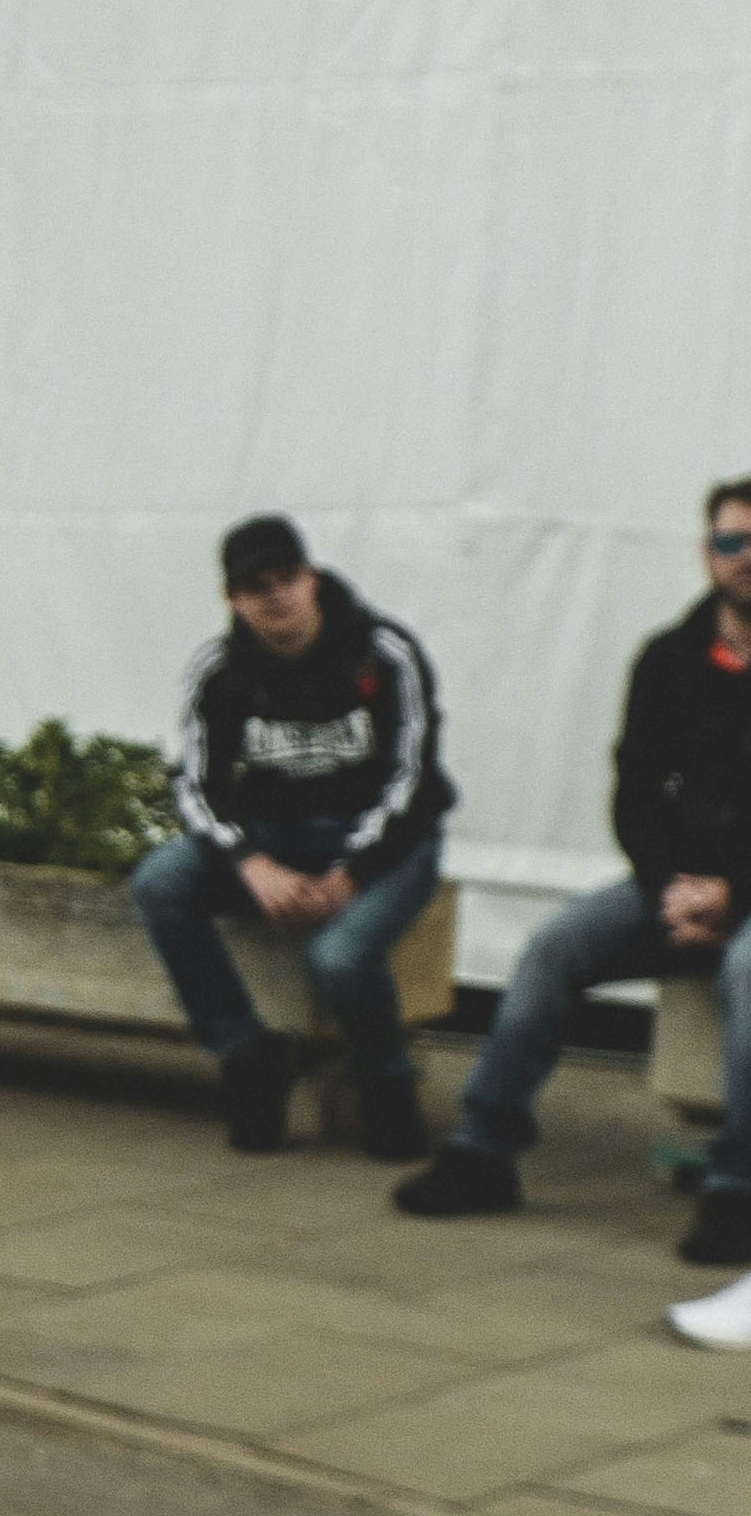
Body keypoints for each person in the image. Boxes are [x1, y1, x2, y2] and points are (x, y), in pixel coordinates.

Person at [395, 478, 751, 1263]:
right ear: (707, 553)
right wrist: (669, 890)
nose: (746, 557)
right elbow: (634, 791)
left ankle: (736, 1190)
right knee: (554, 946)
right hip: (678, 887)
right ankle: (484, 1152)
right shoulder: (668, 658)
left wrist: (733, 893)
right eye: (732, 541)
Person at [126, 515, 449, 1159]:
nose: (276, 598)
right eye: (256, 587)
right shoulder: (217, 671)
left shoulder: (385, 653)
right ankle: (248, 1055)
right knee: (160, 882)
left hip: (388, 845)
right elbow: (195, 785)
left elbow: (413, 779)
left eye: (287, 579)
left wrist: (352, 873)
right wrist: (251, 863)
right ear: (233, 600)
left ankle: (386, 1086)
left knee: (339, 957)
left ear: (312, 579)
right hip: (274, 839)